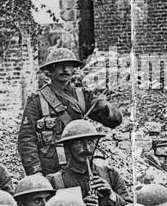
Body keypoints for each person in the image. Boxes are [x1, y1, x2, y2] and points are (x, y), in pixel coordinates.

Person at [17, 47, 121, 176]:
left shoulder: (83, 96)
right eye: (59, 66)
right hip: (52, 171)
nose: (65, 69)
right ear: (50, 70)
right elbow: (26, 140)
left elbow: (113, 121)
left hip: (82, 166)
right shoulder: (37, 100)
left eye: (69, 65)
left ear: (73, 69)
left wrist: (107, 109)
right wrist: (36, 172)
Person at [48, 119, 130, 206]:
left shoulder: (111, 175)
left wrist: (112, 196)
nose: (87, 148)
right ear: (67, 147)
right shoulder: (54, 182)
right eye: (79, 142)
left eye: (91, 141)